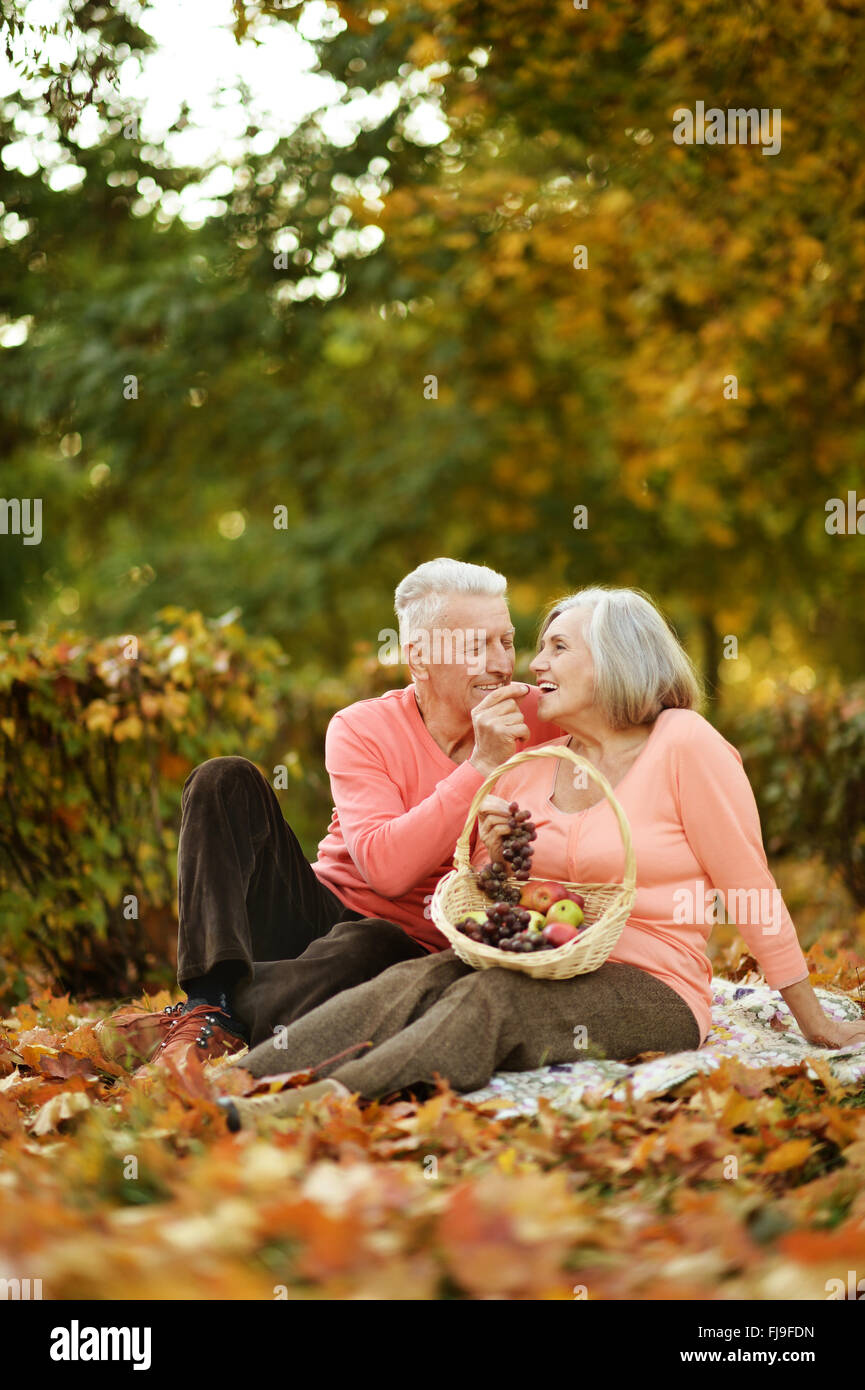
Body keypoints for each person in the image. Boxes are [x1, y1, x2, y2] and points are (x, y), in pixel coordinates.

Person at [218, 585, 865, 1127]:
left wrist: (810, 1019)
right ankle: (241, 1075)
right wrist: (492, 865)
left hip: (653, 985)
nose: (533, 664)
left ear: (616, 659)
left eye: (557, 647)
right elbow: (503, 899)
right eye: (538, 647)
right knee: (420, 978)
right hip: (547, 960)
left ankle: (323, 1105)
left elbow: (748, 883)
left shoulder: (682, 744)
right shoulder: (536, 762)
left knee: (490, 1000)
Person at [98, 558, 561, 1071]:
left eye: (506, 641)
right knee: (223, 778)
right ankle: (210, 1001)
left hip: (410, 953)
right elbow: (386, 872)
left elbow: (638, 704)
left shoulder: (540, 718)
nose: (502, 664)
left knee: (375, 942)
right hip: (317, 920)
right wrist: (480, 766)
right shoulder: (362, 727)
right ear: (420, 657)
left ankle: (221, 1016)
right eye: (478, 646)